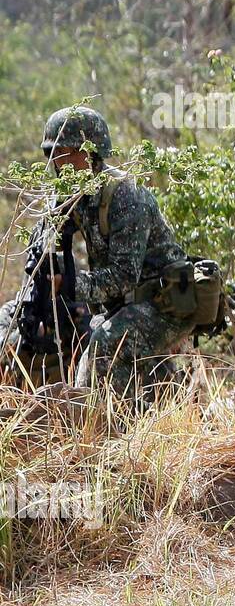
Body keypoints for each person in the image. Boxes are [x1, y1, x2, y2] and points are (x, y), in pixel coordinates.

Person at [0, 106, 195, 398]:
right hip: (121, 306)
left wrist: (68, 285)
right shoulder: (67, 196)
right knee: (15, 323)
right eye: (54, 154)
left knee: (105, 344)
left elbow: (124, 277)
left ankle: (110, 433)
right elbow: (41, 256)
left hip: (164, 305)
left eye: (67, 152)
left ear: (90, 154)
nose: (59, 162)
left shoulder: (127, 197)